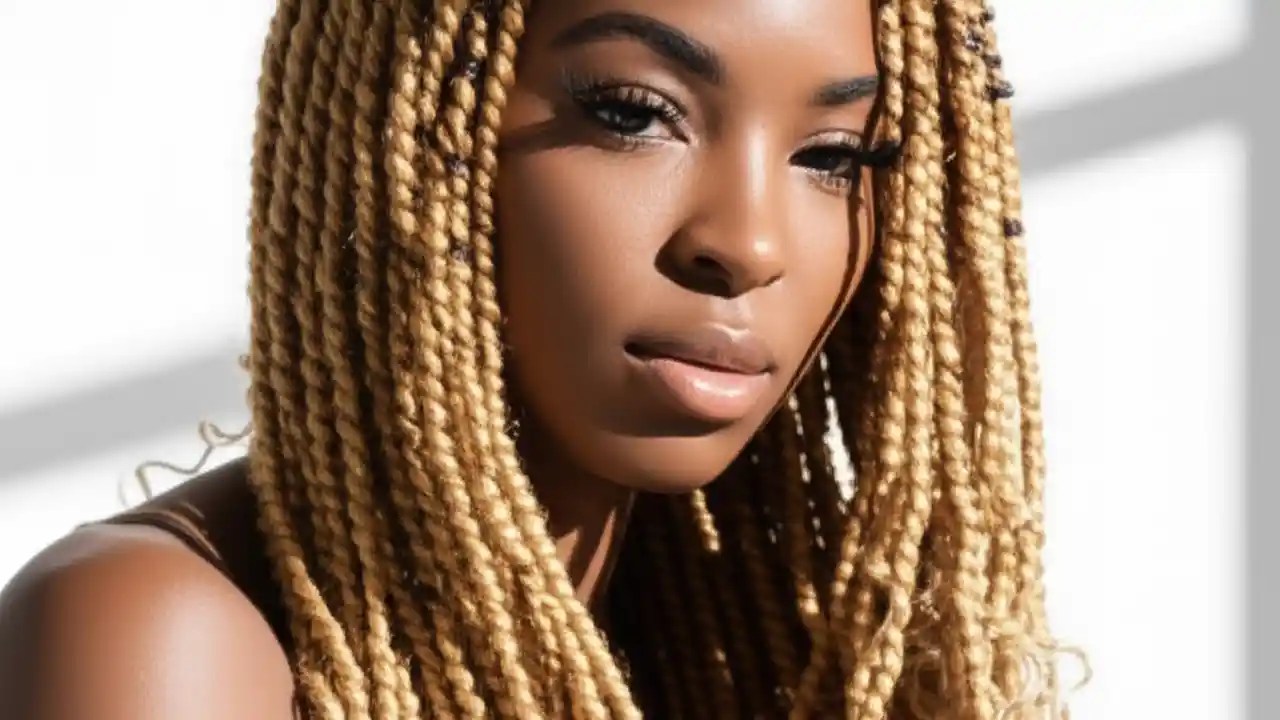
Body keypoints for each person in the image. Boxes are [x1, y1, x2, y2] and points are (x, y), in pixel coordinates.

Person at [0, 0, 1075, 717]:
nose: (746, 243)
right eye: (632, 114)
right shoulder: (167, 634)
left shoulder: (747, 642)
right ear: (400, 131)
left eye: (833, 157)